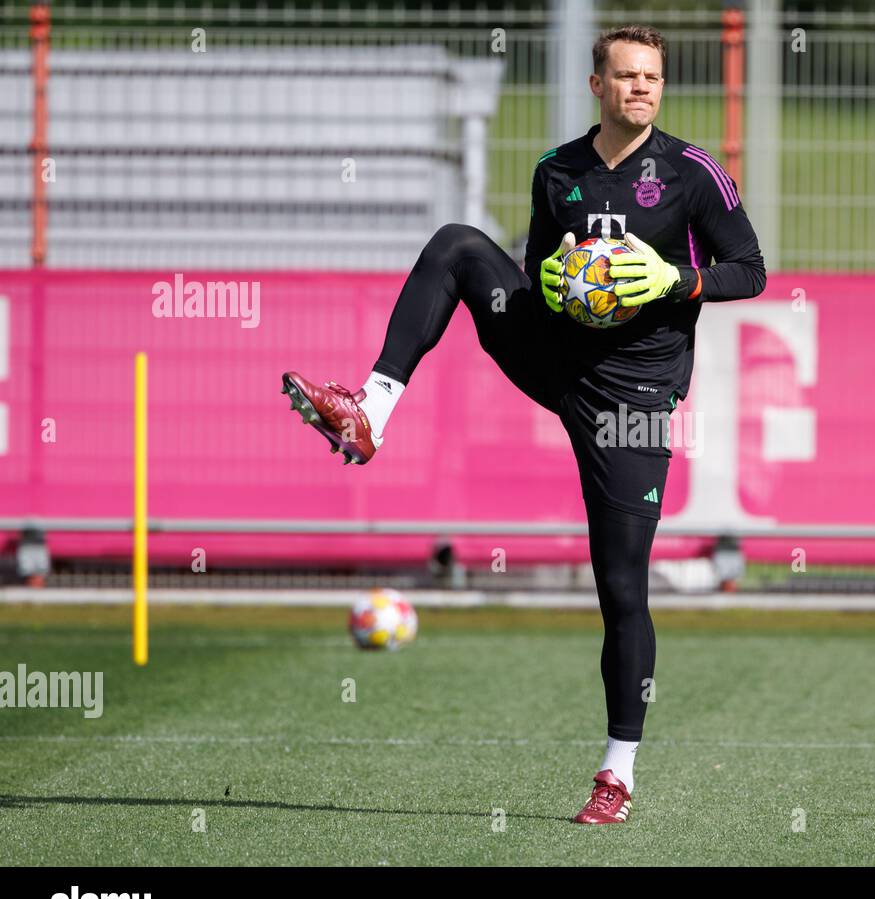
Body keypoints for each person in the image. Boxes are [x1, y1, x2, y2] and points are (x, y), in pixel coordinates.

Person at [281, 24, 765, 824]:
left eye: (652, 77)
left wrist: (672, 278)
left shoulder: (694, 174)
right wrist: (556, 280)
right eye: (626, 75)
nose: (641, 88)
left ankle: (618, 773)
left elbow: (750, 269)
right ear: (596, 85)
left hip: (633, 402)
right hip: (555, 360)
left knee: (620, 588)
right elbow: (542, 274)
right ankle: (370, 411)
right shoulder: (557, 171)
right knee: (460, 245)